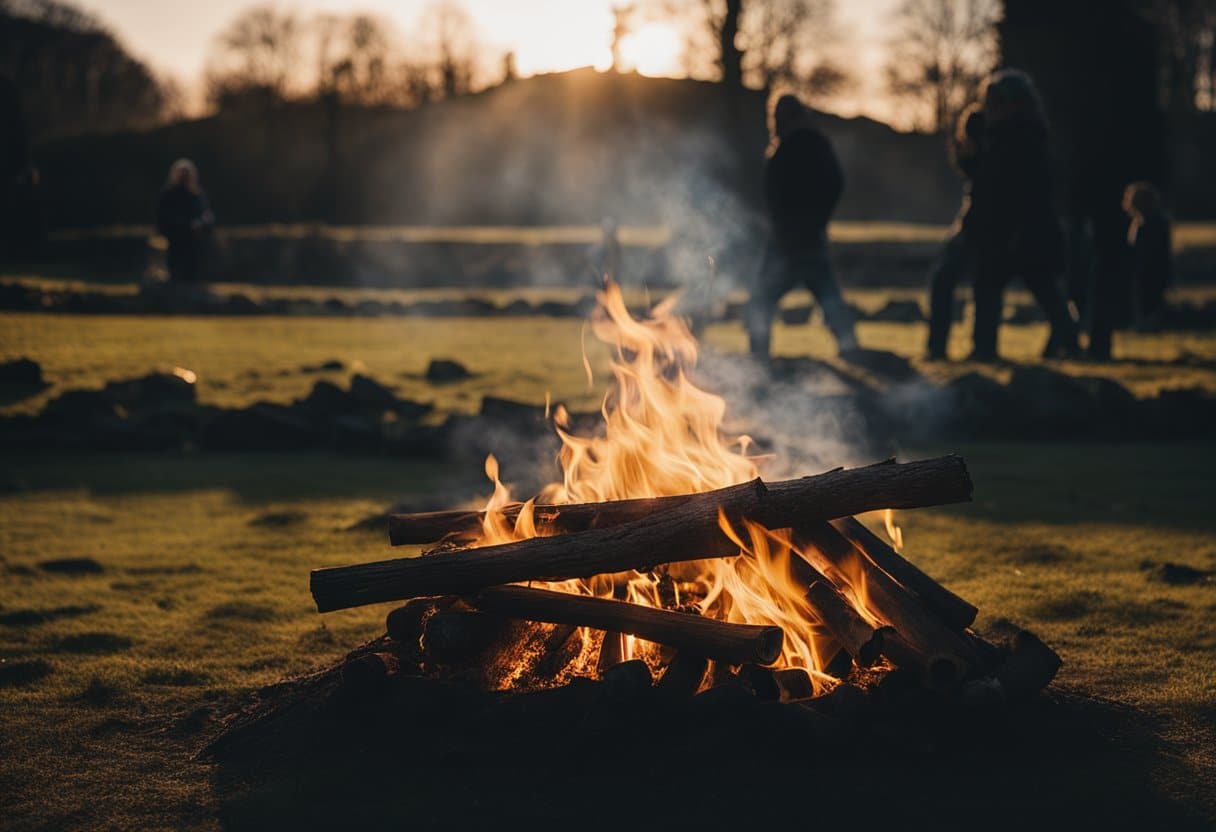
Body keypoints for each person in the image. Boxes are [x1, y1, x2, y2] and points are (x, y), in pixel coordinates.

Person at [966, 70, 1080, 361]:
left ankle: (1067, 341)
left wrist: (1017, 229)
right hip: (1000, 230)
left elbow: (1027, 190)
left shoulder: (1026, 139)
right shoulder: (993, 137)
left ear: (1014, 104)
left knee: (1041, 289)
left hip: (1025, 230)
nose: (989, 108)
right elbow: (978, 178)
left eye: (995, 103)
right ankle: (985, 349)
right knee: (990, 291)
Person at [745, 94, 857, 360]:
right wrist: (819, 219)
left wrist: (796, 220)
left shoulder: (787, 150)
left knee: (762, 300)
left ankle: (759, 354)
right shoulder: (817, 144)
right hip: (808, 238)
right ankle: (850, 347)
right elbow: (836, 183)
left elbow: (776, 194)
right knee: (828, 297)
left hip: (787, 240)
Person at [925, 103, 985, 360]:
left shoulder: (1001, 148)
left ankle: (946, 348)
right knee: (979, 290)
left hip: (982, 231)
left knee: (982, 289)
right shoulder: (984, 155)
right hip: (972, 230)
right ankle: (942, 348)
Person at [1121, 181, 1172, 331]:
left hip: (1149, 270)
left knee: (1149, 299)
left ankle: (1147, 325)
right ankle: (1145, 325)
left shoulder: (1150, 224)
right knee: (1146, 300)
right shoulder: (1141, 222)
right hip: (1146, 271)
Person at [156, 158, 214, 285]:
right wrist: (187, 225)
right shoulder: (169, 194)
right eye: (182, 174)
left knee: (193, 276)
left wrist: (202, 223)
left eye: (187, 174)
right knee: (177, 277)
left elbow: (207, 215)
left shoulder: (197, 194)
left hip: (195, 244)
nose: (184, 177)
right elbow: (164, 219)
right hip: (177, 242)